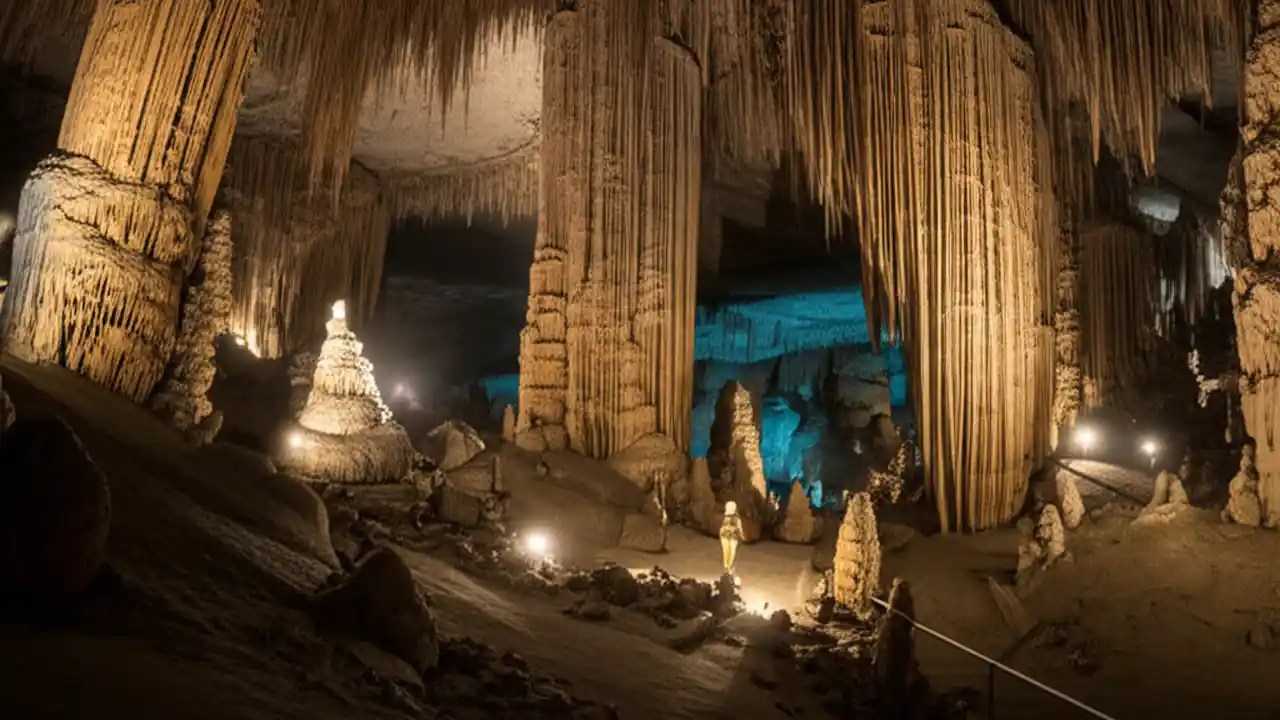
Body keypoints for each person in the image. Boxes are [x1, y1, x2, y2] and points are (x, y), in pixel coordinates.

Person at [719, 501, 745, 574]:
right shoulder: (733, 518)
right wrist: (742, 536)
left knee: (727, 552)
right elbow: (739, 528)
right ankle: (728, 567)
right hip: (729, 537)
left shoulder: (727, 518)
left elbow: (722, 528)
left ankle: (727, 567)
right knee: (730, 552)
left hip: (727, 536)